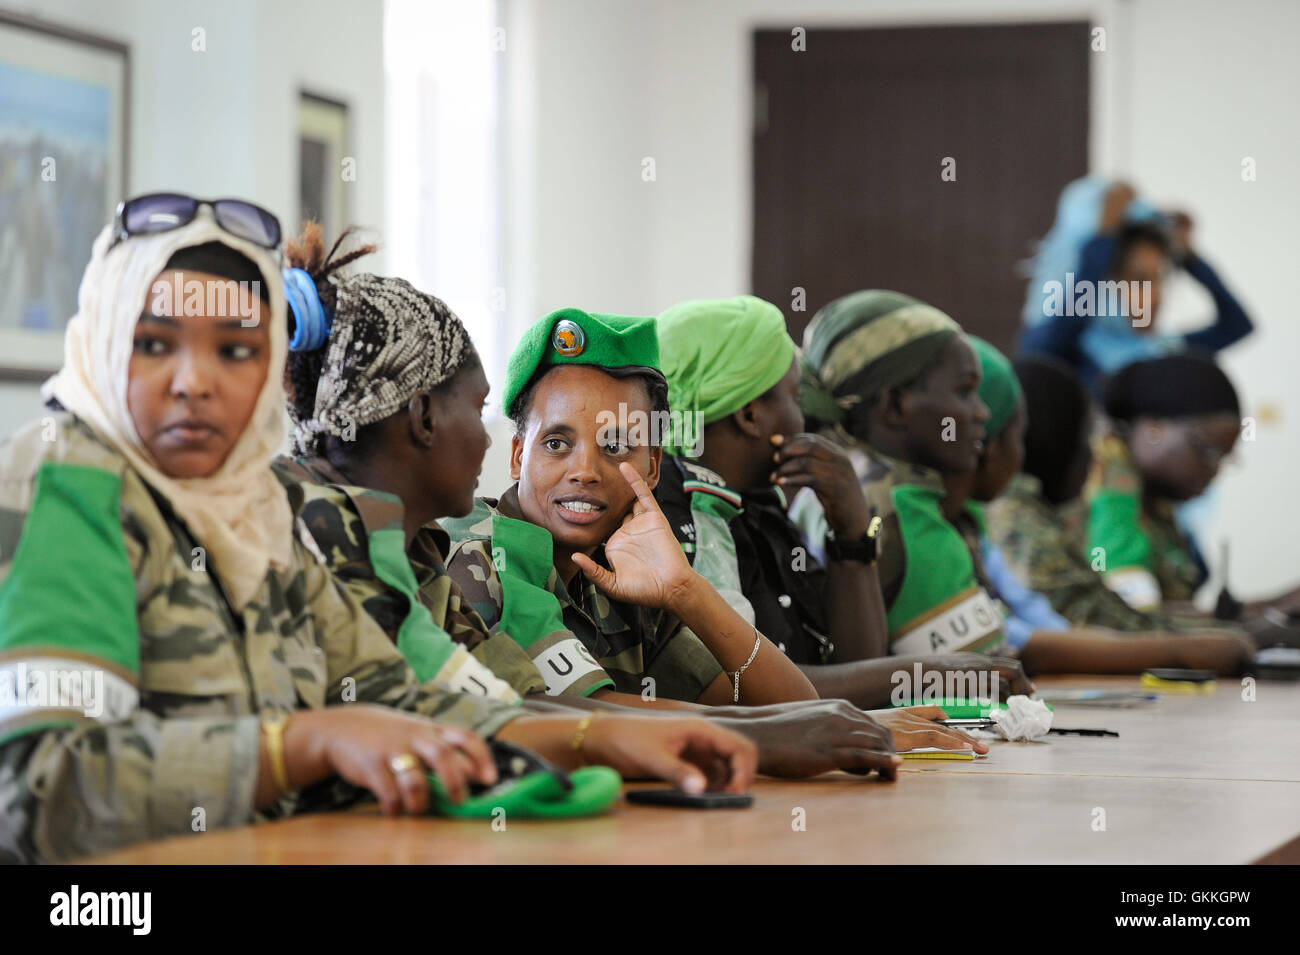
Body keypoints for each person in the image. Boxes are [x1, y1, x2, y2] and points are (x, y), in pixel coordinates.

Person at [0, 196, 756, 863]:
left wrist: (602, 740)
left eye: (235, 350)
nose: (195, 380)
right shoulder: (70, 488)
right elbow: (41, 794)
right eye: (155, 343)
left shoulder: (260, 513)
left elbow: (414, 702)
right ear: (102, 342)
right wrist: (301, 743)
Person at [274, 225, 931, 775]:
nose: (584, 470)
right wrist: (767, 737)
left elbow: (792, 698)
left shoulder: (461, 554)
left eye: (615, 445)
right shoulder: (461, 551)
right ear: (514, 455)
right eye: (555, 442)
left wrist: (685, 592)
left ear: (652, 460)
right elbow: (539, 715)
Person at [653, 295, 1033, 707]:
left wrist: (851, 535)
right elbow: (744, 689)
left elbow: (852, 665)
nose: (808, 420)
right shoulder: (684, 511)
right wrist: (933, 674)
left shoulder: (761, 510)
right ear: (749, 415)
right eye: (795, 398)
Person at [953, 340, 1253, 675]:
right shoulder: (1039, 505)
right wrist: (1191, 648)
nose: (1093, 457)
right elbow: (1066, 624)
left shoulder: (1154, 501)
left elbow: (1048, 623)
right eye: (1209, 452)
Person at [793, 290, 1007, 657]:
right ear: (894, 405)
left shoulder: (822, 486)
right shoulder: (908, 516)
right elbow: (983, 685)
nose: (981, 413)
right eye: (965, 391)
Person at [1020, 179, 1253, 392]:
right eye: (1139, 281)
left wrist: (1189, 257)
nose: (1156, 296)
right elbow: (1069, 321)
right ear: (1102, 287)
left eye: (1159, 280)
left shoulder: (1162, 351)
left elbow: (1238, 325)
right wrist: (1104, 238)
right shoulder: (1058, 349)